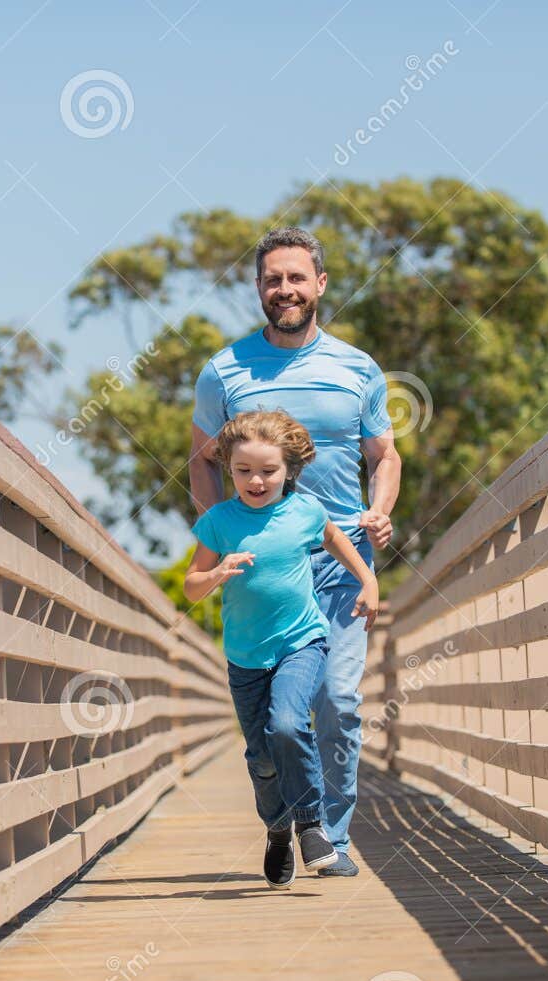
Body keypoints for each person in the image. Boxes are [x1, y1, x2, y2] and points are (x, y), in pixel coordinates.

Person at [189, 226, 402, 877]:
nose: (285, 288)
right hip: (262, 573)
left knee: (336, 702)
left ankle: (329, 835)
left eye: (296, 277)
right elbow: (200, 461)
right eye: (272, 279)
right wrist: (217, 529)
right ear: (259, 289)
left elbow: (384, 456)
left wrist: (380, 512)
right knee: (270, 735)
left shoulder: (357, 368)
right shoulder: (224, 371)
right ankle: (285, 821)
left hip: (336, 567)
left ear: (320, 285)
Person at [185, 410, 380, 889]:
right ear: (229, 468)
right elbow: (191, 586)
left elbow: (338, 539)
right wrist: (214, 575)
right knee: (263, 757)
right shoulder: (220, 522)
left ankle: (311, 826)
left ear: (289, 470)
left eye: (268, 471)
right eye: (243, 470)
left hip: (302, 641)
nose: (256, 480)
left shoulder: (305, 513)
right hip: (246, 655)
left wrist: (368, 580)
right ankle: (277, 829)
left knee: (289, 725)